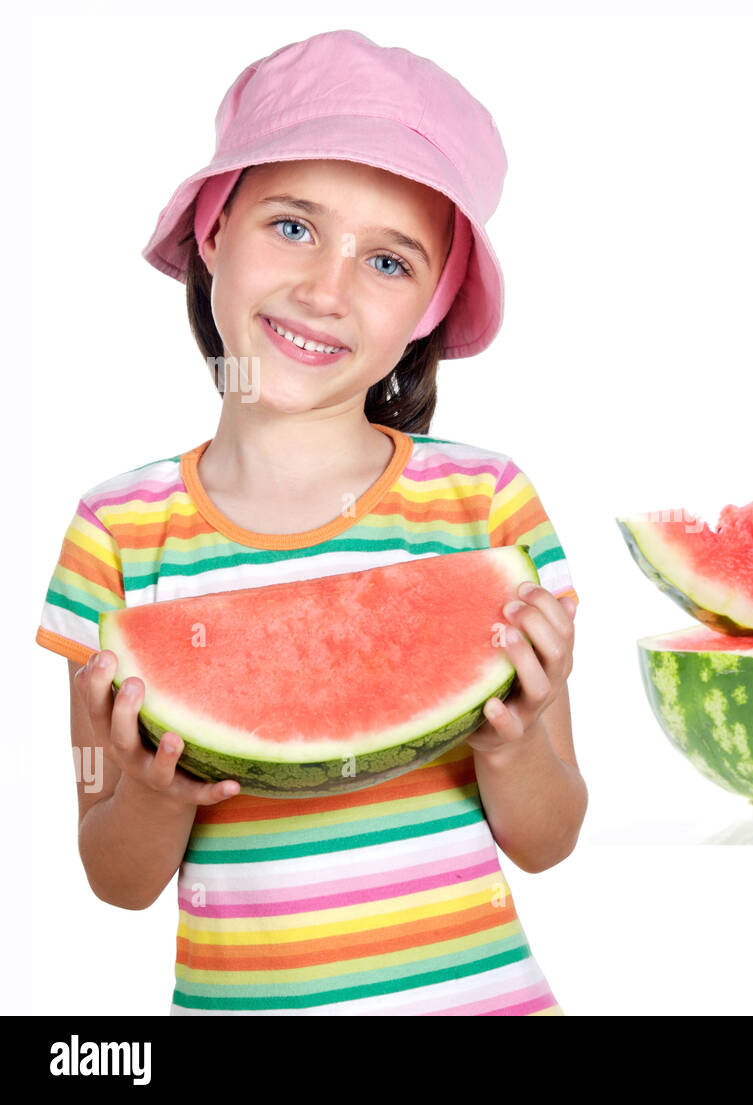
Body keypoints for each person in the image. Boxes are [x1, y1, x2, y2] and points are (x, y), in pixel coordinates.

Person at [34, 29, 584, 1014]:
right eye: (292, 227)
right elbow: (115, 879)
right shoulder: (116, 529)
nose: (324, 290)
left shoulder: (487, 506)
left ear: (430, 306)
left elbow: (548, 841)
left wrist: (514, 741)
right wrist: (153, 795)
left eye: (388, 260)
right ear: (212, 228)